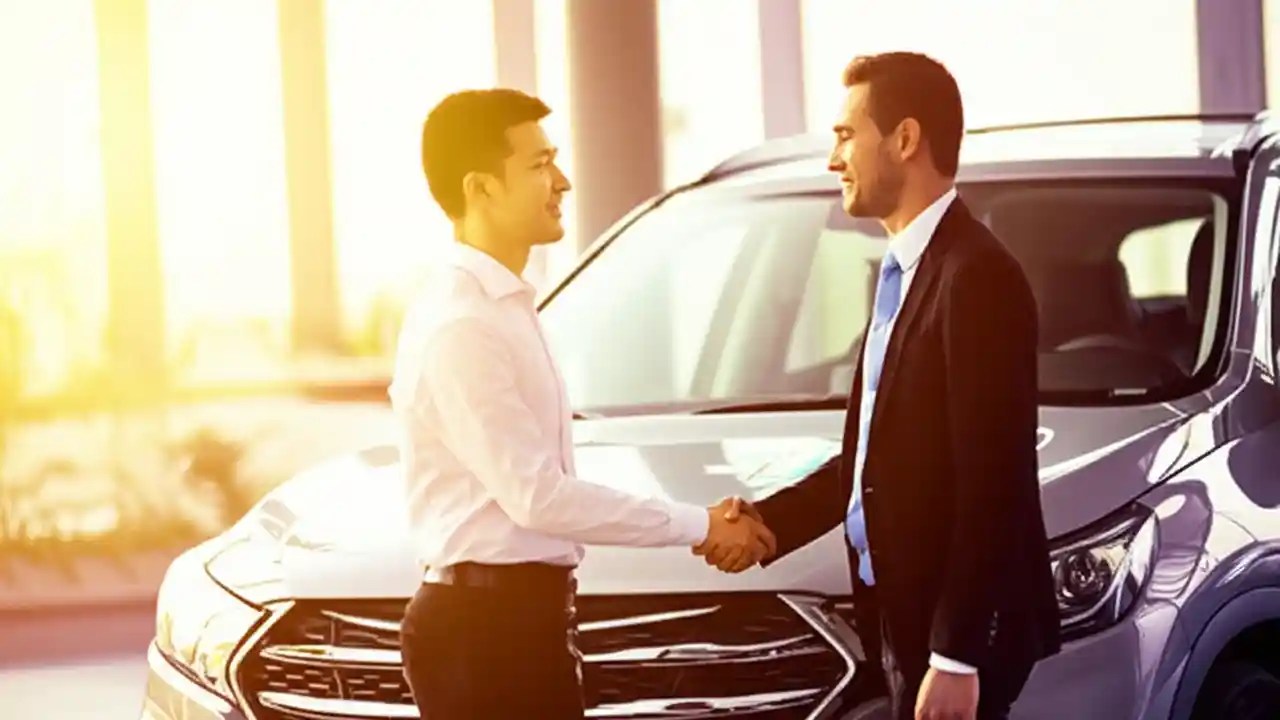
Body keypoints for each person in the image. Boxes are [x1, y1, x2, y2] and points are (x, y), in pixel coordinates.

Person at [389, 88, 776, 720]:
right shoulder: (463, 323)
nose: (561, 182)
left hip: (523, 626)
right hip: (483, 638)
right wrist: (700, 524)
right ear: (480, 188)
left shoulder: (508, 308)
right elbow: (538, 497)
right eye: (539, 165)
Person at [698, 53, 1060, 719]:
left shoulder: (975, 276)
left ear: (905, 138)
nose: (833, 159)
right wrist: (772, 522)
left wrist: (956, 656)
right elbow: (883, 458)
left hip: (951, 642)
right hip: (899, 620)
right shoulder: (904, 272)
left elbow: (992, 480)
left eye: (844, 135)